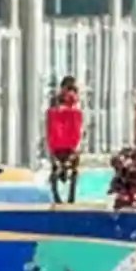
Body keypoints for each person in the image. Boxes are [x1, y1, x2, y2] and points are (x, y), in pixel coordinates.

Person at [46, 76, 83, 204]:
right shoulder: (74, 101)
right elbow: (77, 124)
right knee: (74, 167)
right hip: (70, 141)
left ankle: (56, 195)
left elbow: (51, 123)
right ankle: (71, 196)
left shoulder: (55, 101)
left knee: (56, 167)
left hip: (57, 141)